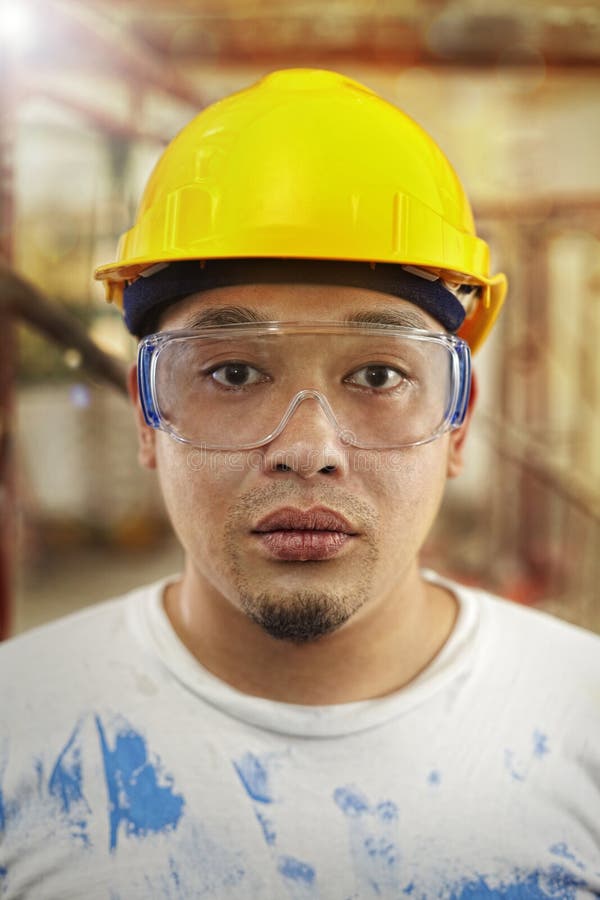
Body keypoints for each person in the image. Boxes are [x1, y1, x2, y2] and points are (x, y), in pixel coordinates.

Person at [1, 68, 599, 900]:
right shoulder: (16, 731)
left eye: (382, 375)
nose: (308, 449)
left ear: (458, 426)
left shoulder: (585, 719)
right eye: (236, 372)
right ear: (148, 417)